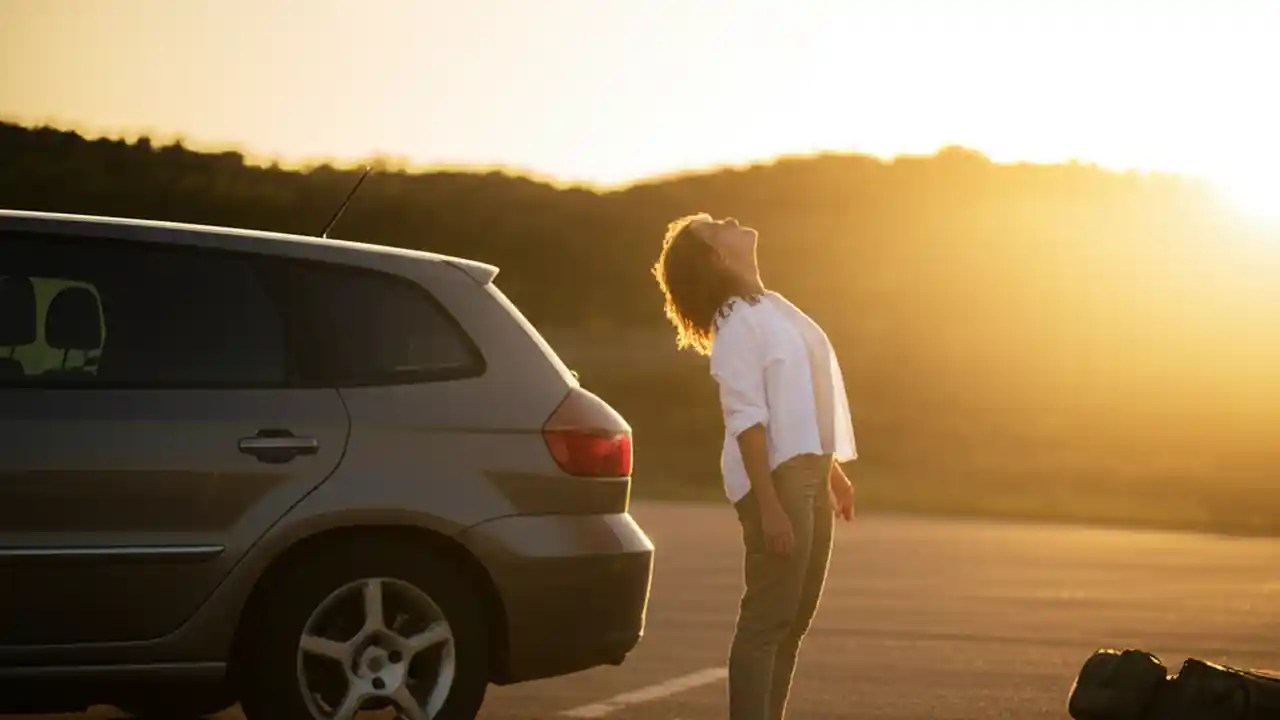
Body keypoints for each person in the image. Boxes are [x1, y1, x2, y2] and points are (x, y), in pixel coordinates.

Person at [652, 213, 857, 720]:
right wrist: (769, 507)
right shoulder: (737, 324)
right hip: (778, 481)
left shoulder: (770, 308)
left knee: (792, 623)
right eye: (714, 227)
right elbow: (747, 419)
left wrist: (832, 471)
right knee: (768, 622)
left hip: (809, 472)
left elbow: (800, 395)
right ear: (717, 257)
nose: (729, 220)